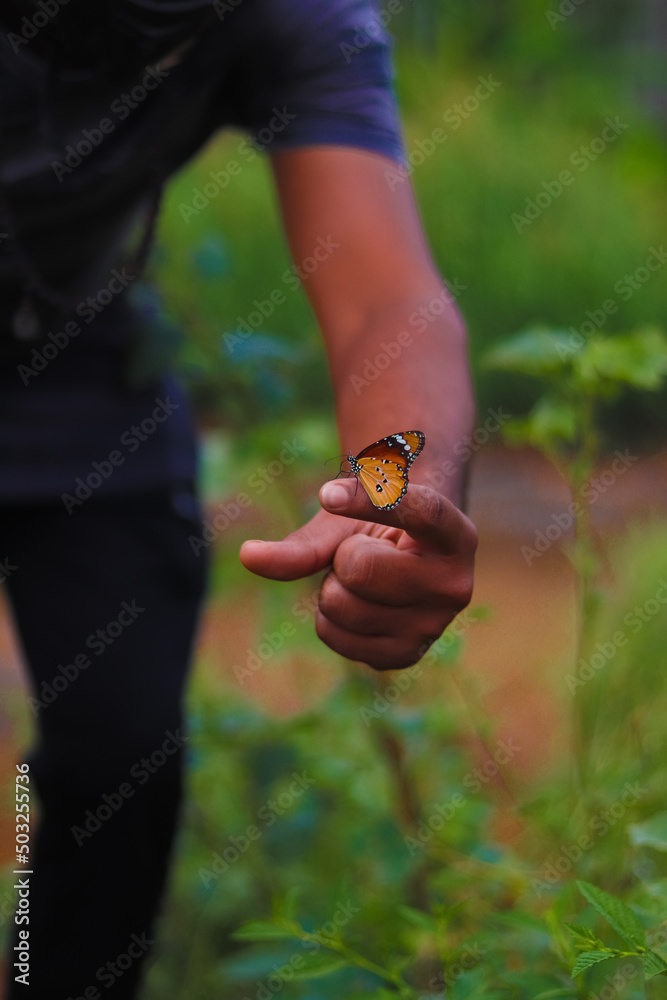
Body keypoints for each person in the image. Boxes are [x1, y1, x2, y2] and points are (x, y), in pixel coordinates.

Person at [0, 0, 477, 995]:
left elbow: (387, 304)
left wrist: (391, 492)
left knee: (123, 749)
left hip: (78, 349)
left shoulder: (293, 18)